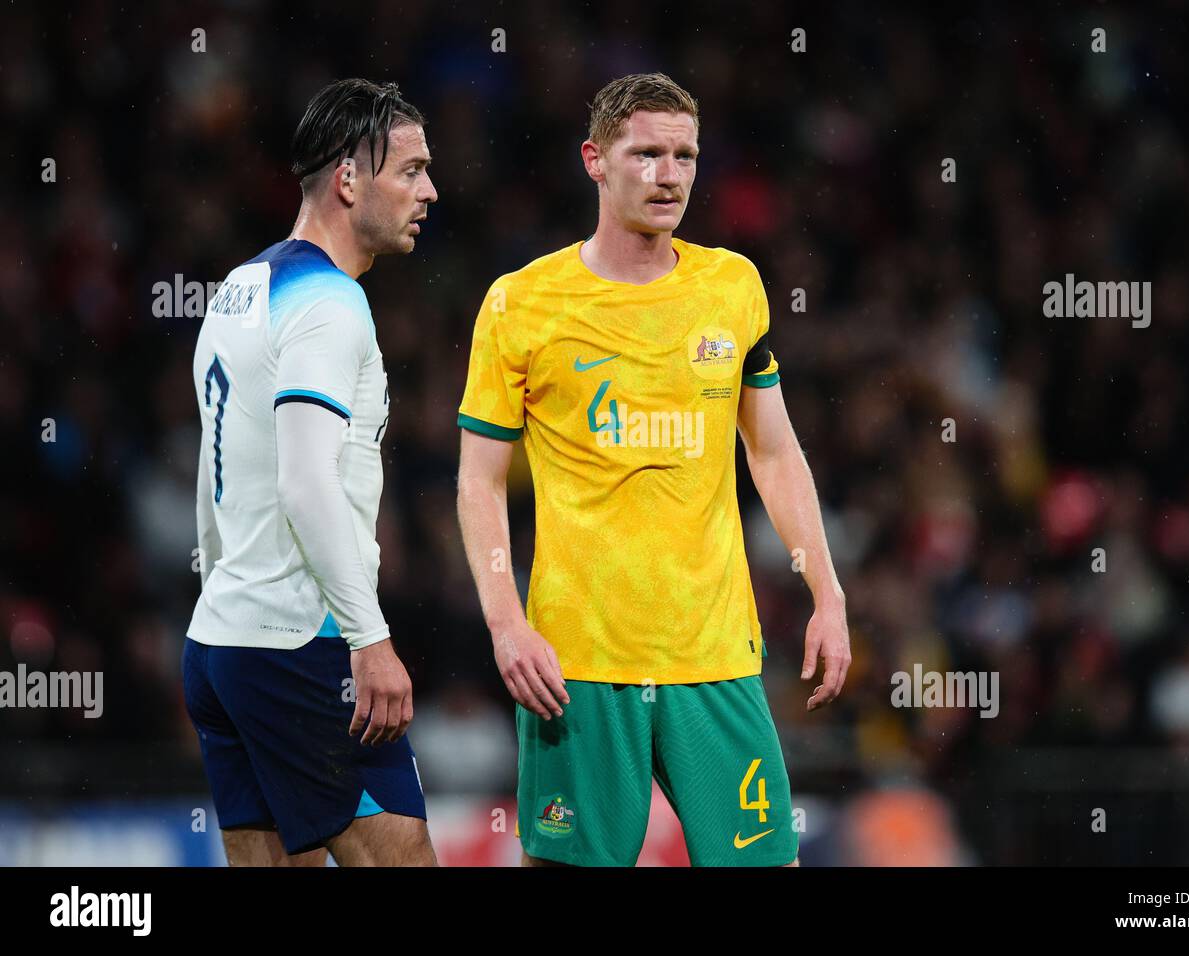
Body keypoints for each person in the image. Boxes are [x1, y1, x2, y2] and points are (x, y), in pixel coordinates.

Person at [456, 73, 850, 867]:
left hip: (714, 654)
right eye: (646, 154)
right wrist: (505, 621)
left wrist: (827, 591)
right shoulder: (521, 303)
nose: (669, 175)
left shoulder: (732, 287)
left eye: (685, 155)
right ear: (595, 160)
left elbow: (771, 452)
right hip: (579, 661)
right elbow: (479, 481)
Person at [184, 78, 438, 866]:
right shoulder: (330, 303)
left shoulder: (238, 288)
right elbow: (304, 482)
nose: (430, 190)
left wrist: (222, 593)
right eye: (411, 170)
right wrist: (370, 638)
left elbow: (212, 476)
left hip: (221, 640)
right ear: (350, 180)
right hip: (302, 645)